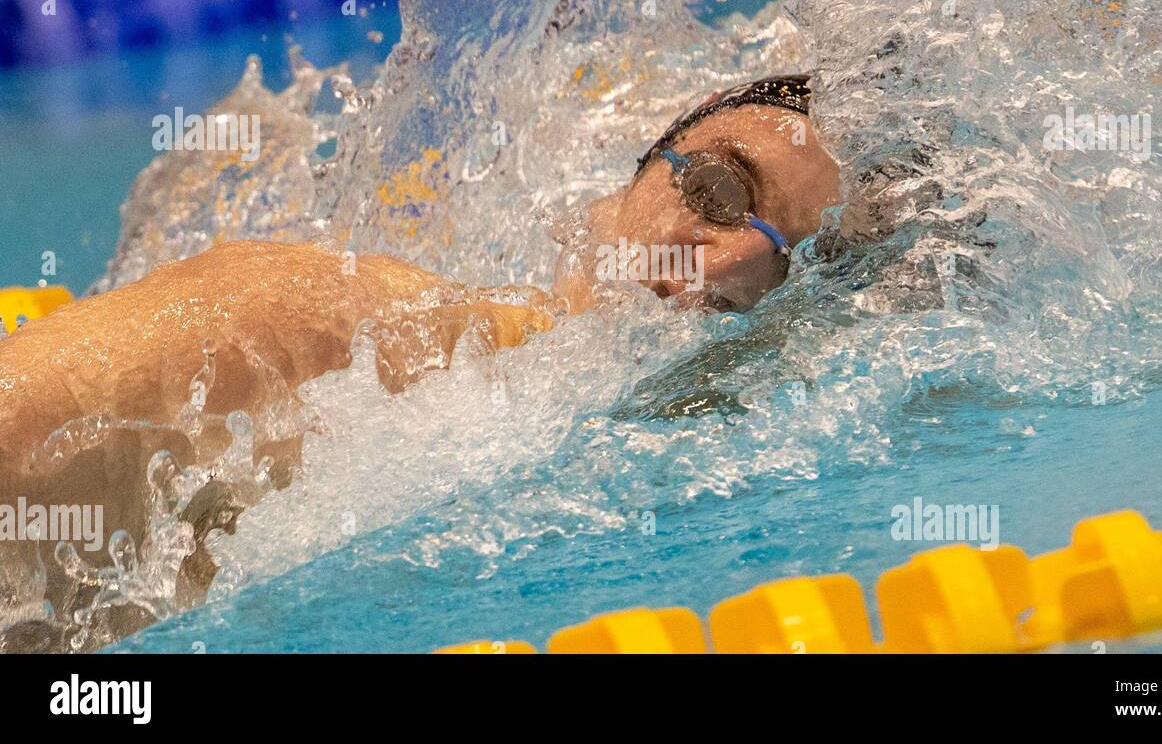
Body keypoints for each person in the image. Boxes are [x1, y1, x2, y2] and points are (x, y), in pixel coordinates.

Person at [0, 75, 842, 625]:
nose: (731, 264)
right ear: (631, 183)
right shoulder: (339, 324)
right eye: (720, 190)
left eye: (788, 266)